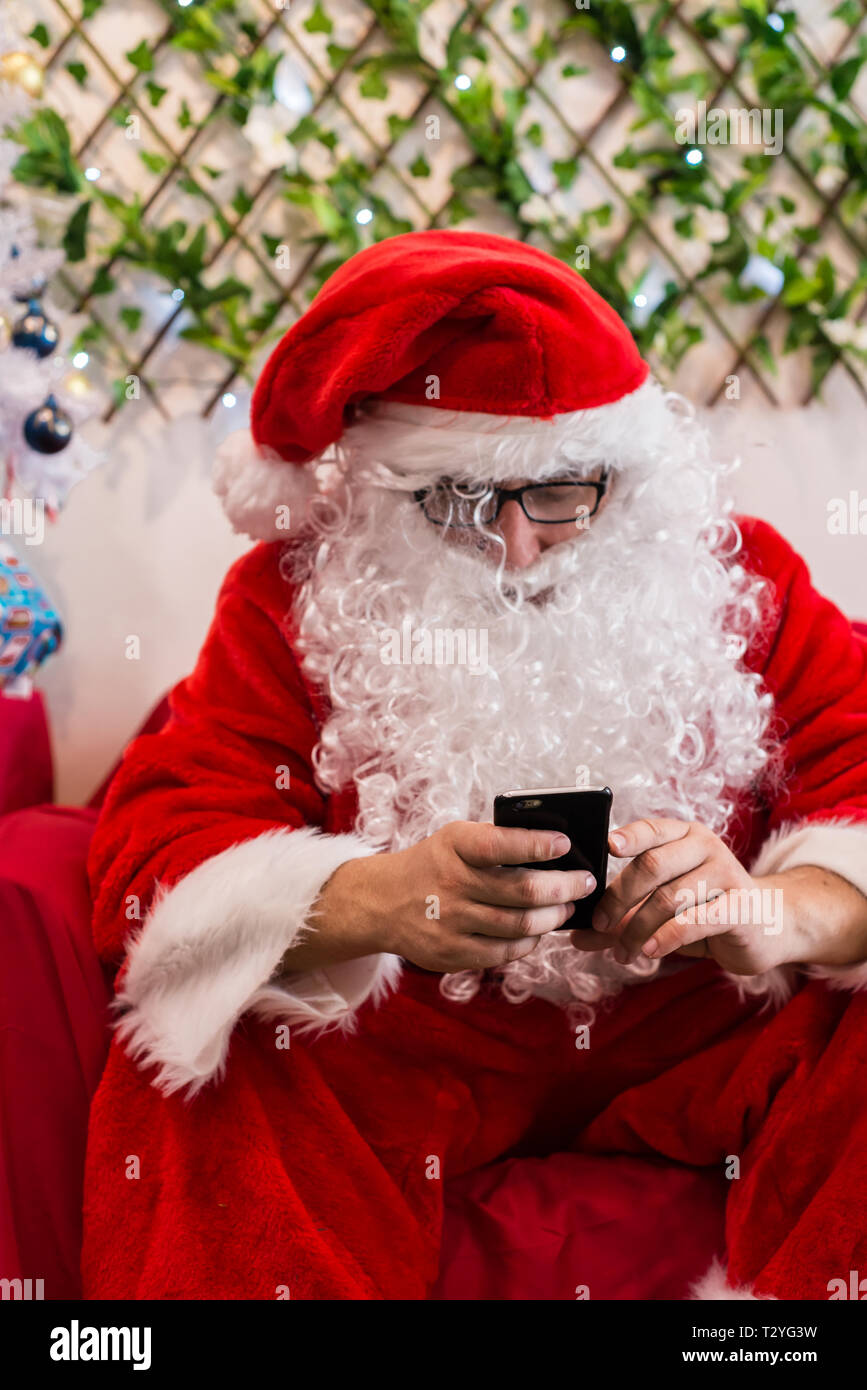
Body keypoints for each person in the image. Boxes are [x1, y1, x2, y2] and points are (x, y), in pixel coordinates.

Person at [81, 230, 867, 1301]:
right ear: (379, 490)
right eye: (456, 498)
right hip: (409, 1030)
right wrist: (368, 902)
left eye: (559, 495)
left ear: (625, 478)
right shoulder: (287, 598)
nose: (516, 546)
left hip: (698, 1021)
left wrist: (773, 911)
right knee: (206, 1057)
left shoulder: (747, 580)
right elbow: (160, 844)